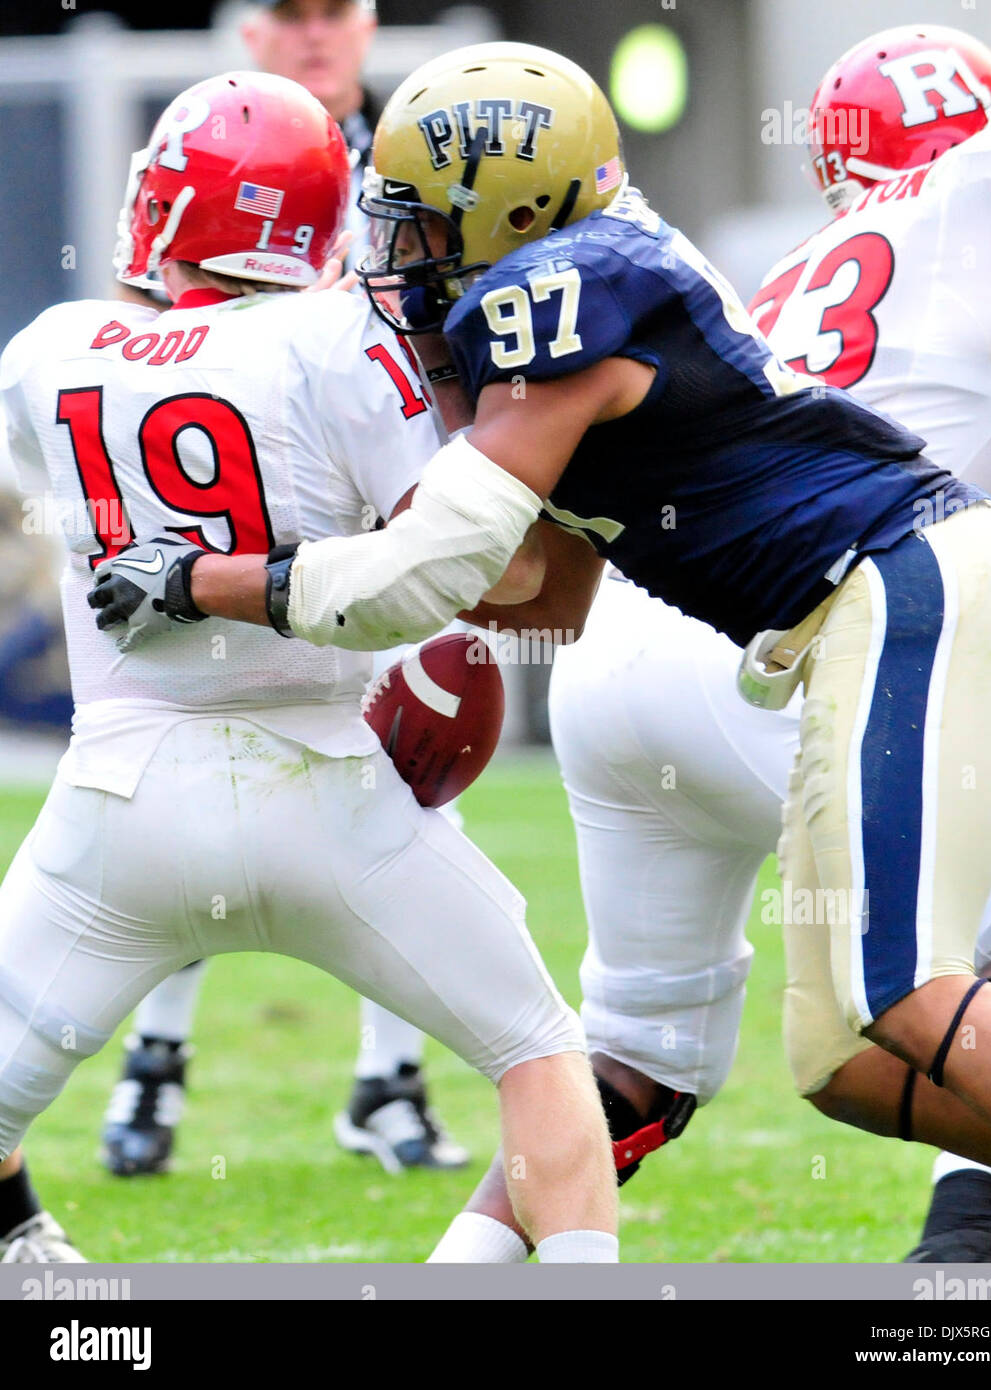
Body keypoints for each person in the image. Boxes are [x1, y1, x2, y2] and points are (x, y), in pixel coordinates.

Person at [93, 40, 991, 1261]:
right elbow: (540, 579)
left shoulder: (567, 291)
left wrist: (199, 578)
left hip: (905, 577)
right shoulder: (590, 283)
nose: (399, 248)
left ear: (516, 206)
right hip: (808, 626)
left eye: (424, 221)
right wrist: (365, 548)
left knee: (903, 985)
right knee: (838, 1058)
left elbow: (428, 574)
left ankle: (961, 1235)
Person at [0, 69, 619, 1265]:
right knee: (539, 1052)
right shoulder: (343, 341)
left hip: (119, 800)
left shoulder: (52, 349)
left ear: (169, 205)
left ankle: (23, 1244)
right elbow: (482, 567)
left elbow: (69, 475)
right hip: (333, 786)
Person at [104, 0, 470, 1179]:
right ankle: (152, 1064)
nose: (315, 33)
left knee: (417, 770)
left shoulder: (417, 156)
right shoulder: (209, 141)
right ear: (245, 29)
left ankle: (388, 1079)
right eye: (290, 11)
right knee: (180, 774)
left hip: (375, 497)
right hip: (232, 506)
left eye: (334, 10)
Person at [747, 23, 991, 1262]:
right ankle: (963, 1223)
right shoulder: (989, 198)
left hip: (768, 637)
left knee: (835, 1039)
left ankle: (961, 1226)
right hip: (903, 613)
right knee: (970, 952)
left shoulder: (799, 266)